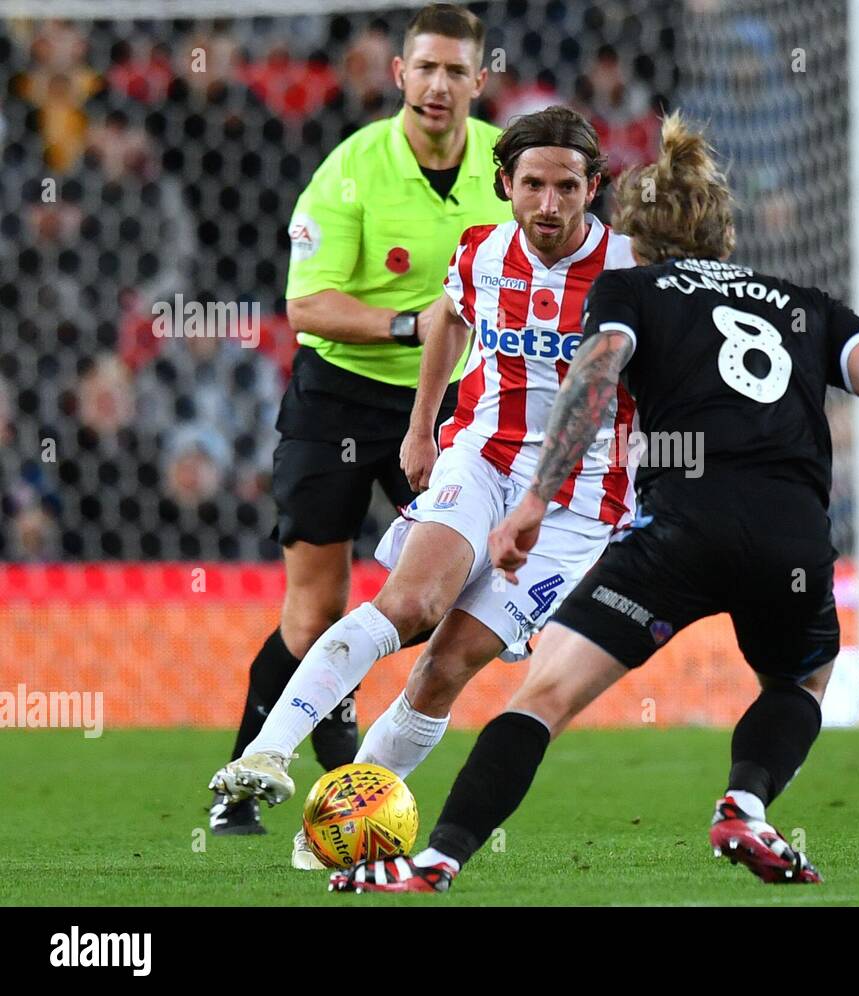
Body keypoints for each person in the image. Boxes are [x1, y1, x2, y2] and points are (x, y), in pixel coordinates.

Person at [327, 113, 859, 894]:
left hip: (680, 535)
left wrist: (536, 498)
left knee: (542, 698)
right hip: (792, 541)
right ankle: (745, 802)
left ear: (635, 231)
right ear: (727, 234)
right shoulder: (805, 304)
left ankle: (435, 861)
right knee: (800, 683)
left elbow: (594, 373)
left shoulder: (630, 288)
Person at [210, 105, 638, 868]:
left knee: (445, 667)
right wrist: (420, 427)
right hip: (480, 457)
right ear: (504, 183)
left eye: (567, 187)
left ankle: (341, 823)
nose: (548, 204)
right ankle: (266, 756)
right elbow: (445, 319)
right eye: (532, 184)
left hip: (578, 503)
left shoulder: (631, 271)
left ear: (594, 186)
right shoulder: (480, 253)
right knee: (407, 605)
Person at [207, 4, 514, 837]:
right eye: (426, 69)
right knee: (309, 617)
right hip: (340, 397)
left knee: (437, 602)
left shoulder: (509, 167)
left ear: (481, 80)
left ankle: (337, 724)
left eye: (457, 70)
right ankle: (246, 782)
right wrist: (416, 324)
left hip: (452, 405)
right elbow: (305, 305)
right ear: (399, 76)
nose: (440, 85)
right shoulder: (351, 171)